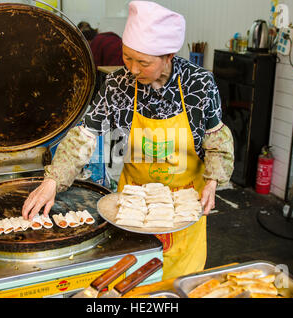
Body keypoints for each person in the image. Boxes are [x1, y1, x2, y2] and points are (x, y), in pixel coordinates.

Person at [22, 1, 234, 280]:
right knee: (133, 281)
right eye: (127, 57)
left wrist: (212, 181)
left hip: (183, 208)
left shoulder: (200, 84)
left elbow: (216, 139)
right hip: (133, 206)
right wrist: (53, 180)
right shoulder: (117, 86)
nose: (132, 69)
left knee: (178, 287)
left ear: (168, 55)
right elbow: (84, 135)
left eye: (143, 62)